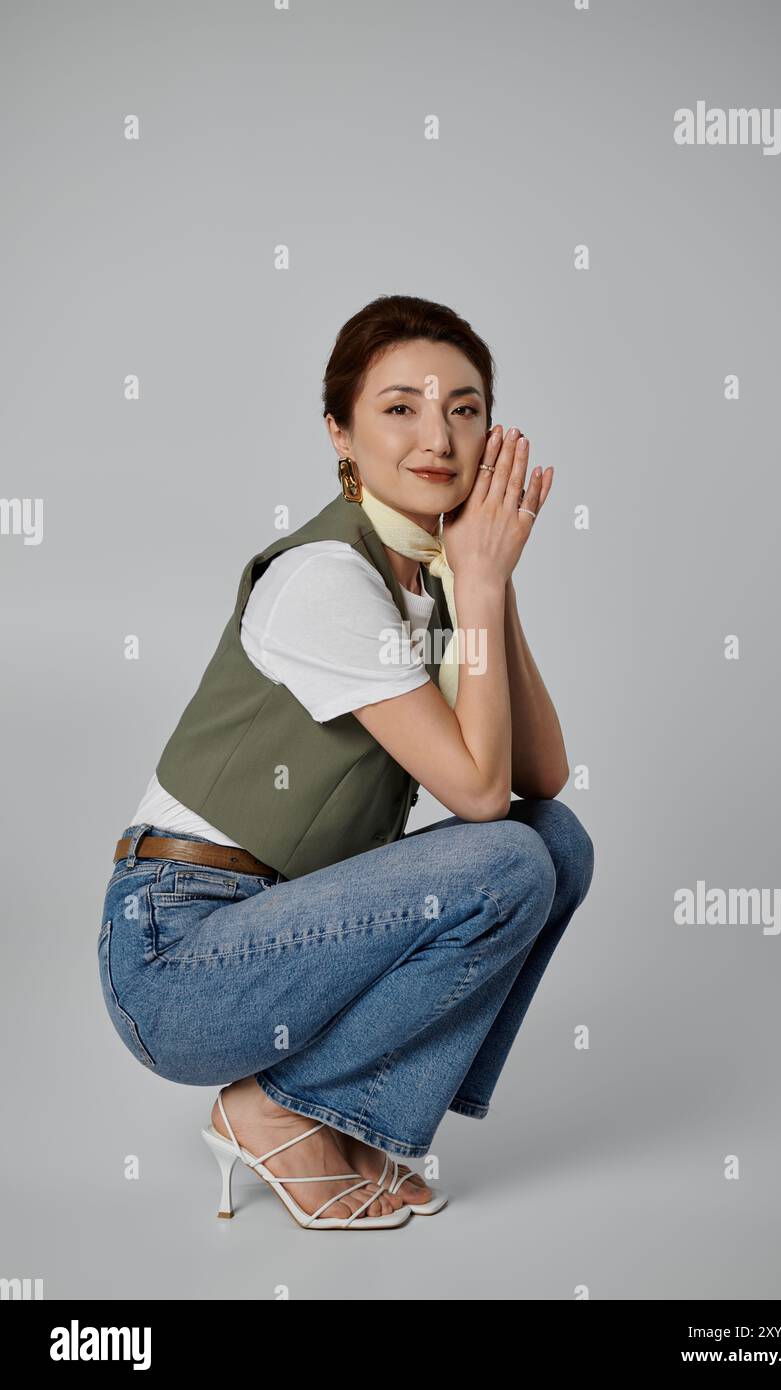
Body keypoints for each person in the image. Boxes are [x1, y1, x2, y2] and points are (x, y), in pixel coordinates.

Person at [98, 293, 595, 1231]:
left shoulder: (432, 581)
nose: (437, 435)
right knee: (506, 858)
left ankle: (354, 1124)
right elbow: (482, 796)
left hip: (278, 931)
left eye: (464, 407)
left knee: (555, 842)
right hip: (177, 957)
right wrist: (479, 580)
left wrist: (487, 581)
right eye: (399, 407)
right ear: (341, 430)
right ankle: (278, 1111)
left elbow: (541, 777)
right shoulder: (326, 577)